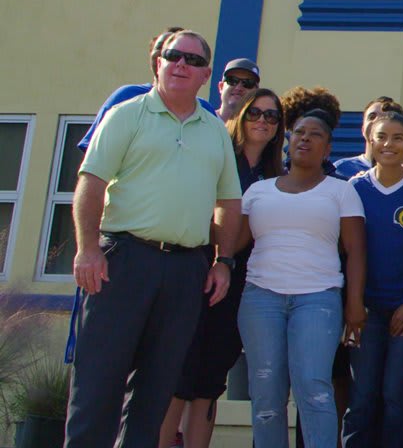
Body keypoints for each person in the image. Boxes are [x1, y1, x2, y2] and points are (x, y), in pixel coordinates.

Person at [67, 30, 242, 448]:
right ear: (158, 63)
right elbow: (90, 184)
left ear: (206, 75)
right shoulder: (126, 115)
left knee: (158, 388)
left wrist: (223, 261)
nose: (181, 64)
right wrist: (88, 249)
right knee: (99, 381)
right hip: (122, 260)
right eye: (173, 56)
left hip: (186, 269)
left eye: (192, 60)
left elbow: (229, 200)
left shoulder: (214, 129)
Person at [161, 88, 285, 448]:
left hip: (242, 285)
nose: (262, 121)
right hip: (197, 271)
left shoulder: (276, 175)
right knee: (179, 374)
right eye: (255, 113)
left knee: (211, 377)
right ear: (240, 116)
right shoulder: (215, 156)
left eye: (272, 116)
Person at [238, 107, 367, 448]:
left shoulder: (341, 191)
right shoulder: (258, 191)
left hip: (318, 299)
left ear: (328, 149)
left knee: (314, 387)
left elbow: (355, 252)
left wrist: (354, 304)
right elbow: (232, 242)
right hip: (260, 298)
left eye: (315, 134)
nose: (305, 138)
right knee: (266, 391)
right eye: (298, 132)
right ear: (288, 141)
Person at [343, 111, 403, 448]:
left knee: (396, 395)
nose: (388, 144)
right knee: (362, 396)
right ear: (370, 141)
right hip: (365, 311)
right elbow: (350, 252)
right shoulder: (355, 187)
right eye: (381, 136)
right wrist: (354, 305)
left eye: (397, 138)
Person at [77, 26, 216, 152]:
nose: (179, 62)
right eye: (171, 55)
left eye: (188, 57)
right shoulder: (125, 99)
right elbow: (93, 157)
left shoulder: (204, 112)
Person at [333, 97, 403, 179]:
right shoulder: (339, 169)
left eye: (385, 117)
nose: (377, 121)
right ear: (363, 130)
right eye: (372, 117)